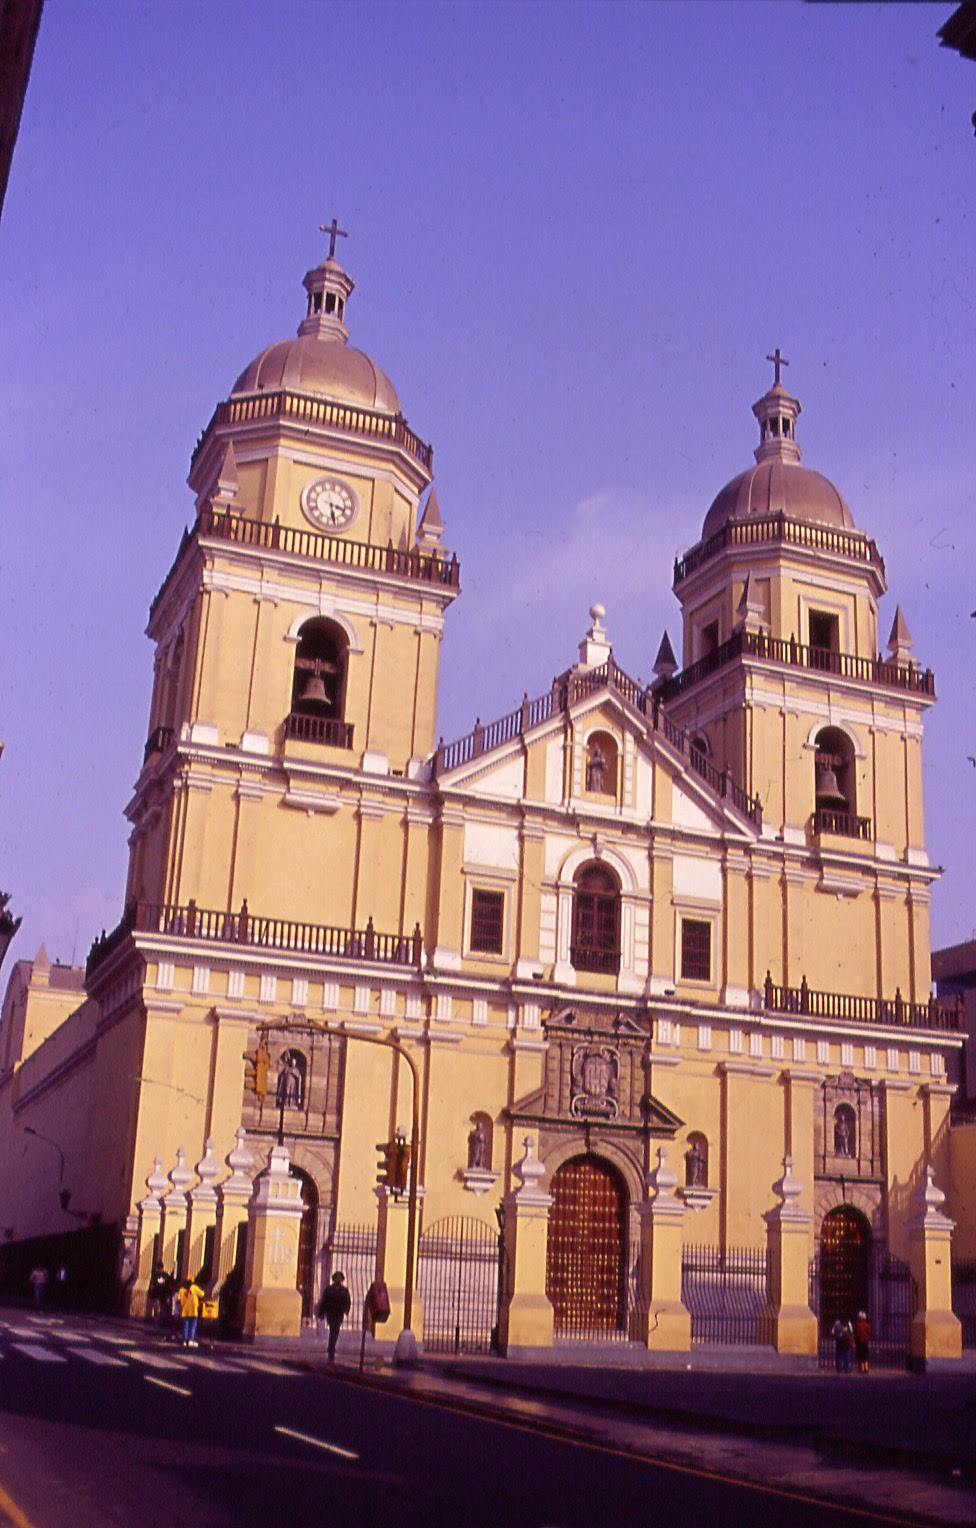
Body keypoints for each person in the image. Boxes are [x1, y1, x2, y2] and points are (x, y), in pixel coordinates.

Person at [317, 1270, 352, 1362]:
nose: (338, 1280)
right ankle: (331, 1347)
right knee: (333, 1329)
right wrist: (322, 1312)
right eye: (337, 1278)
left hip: (339, 1313)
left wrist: (346, 1310)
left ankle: (331, 1346)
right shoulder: (329, 1290)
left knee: (335, 1330)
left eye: (340, 1278)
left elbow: (347, 1301)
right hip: (331, 1313)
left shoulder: (344, 1291)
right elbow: (324, 1301)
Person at [177, 1276, 205, 1348]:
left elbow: (179, 1300)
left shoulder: (181, 1290)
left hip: (184, 1310)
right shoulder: (194, 1288)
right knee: (193, 1326)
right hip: (193, 1310)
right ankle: (191, 1340)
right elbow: (202, 1294)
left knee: (185, 1326)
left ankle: (184, 1340)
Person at [854, 1309, 871, 1374]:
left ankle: (861, 1368)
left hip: (859, 1341)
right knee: (865, 1355)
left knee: (860, 1355)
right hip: (865, 1341)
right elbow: (869, 1332)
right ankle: (866, 1368)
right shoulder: (867, 1325)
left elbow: (856, 1333)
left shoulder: (857, 1325)